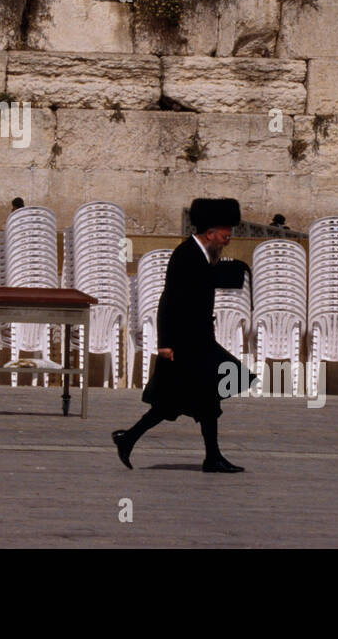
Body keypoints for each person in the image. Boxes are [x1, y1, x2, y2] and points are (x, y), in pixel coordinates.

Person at [112, 197, 256, 474]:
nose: (228, 240)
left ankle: (131, 439)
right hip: (186, 345)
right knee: (183, 399)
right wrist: (165, 344)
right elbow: (169, 302)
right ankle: (131, 439)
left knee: (198, 399)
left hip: (199, 341)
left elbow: (208, 282)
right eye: (225, 234)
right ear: (211, 232)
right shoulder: (186, 255)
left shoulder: (201, 255)